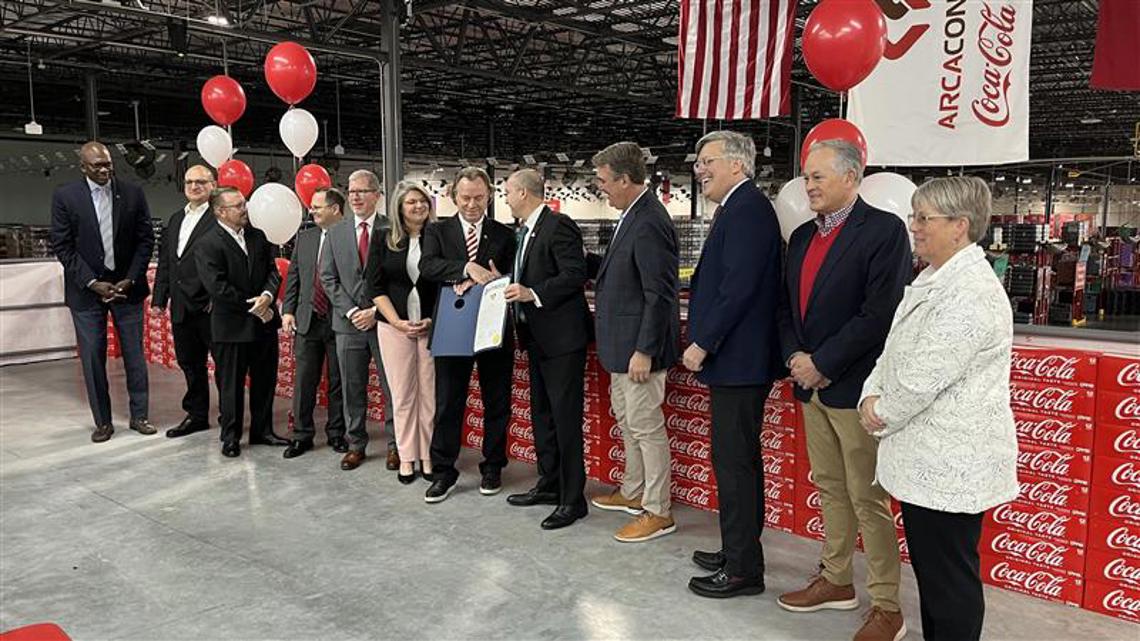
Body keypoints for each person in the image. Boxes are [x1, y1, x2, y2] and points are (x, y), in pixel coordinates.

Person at [860, 177, 1017, 641]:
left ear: (960, 226)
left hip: (951, 466)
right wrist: (872, 392)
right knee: (934, 577)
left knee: (949, 583)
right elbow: (893, 353)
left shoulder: (969, 292)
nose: (915, 227)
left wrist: (879, 409)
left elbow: (920, 379)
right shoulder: (932, 278)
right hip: (927, 462)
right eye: (914, 216)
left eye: (924, 218)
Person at [774, 139, 912, 641]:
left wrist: (823, 363)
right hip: (810, 386)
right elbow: (785, 308)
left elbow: (880, 314)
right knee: (830, 487)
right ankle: (836, 580)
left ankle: (887, 605)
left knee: (868, 496)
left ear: (852, 178)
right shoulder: (803, 237)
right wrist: (795, 358)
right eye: (806, 178)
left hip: (854, 388)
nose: (808, 186)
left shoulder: (884, 232)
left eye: (818, 177)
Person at [682, 131, 783, 597]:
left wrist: (703, 340)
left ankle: (743, 568)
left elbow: (737, 287)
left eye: (708, 161)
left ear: (737, 166)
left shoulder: (747, 210)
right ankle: (738, 547)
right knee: (737, 461)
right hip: (737, 360)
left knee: (735, 464)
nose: (700, 169)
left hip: (738, 360)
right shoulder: (740, 208)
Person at [588, 141, 681, 541]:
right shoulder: (632, 215)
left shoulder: (649, 221)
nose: (601, 189)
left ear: (626, 180)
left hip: (638, 351)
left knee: (645, 427)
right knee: (629, 423)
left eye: (605, 181)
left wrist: (644, 350)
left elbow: (659, 294)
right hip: (622, 347)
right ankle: (633, 490)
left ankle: (658, 510)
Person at [419, 166, 517, 504]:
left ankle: (493, 466)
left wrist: (497, 277)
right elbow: (427, 266)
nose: (472, 205)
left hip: (494, 328)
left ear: (489, 196)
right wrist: (465, 268)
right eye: (465, 198)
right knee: (448, 401)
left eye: (478, 198)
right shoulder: (437, 231)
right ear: (453, 197)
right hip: (452, 326)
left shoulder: (505, 234)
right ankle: (443, 470)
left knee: (497, 401)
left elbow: (515, 275)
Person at [501, 169, 592, 530]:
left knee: (565, 421)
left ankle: (573, 500)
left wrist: (531, 293)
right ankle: (550, 484)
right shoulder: (524, 231)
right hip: (536, 338)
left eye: (507, 192)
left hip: (561, 340)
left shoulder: (559, 225)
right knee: (543, 417)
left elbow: (574, 273)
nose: (505, 198)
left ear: (523, 192)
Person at [50, 141, 155, 442]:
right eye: (97, 165)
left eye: (108, 163)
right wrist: (92, 283)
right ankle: (104, 422)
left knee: (135, 355)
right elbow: (63, 246)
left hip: (126, 290)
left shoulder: (132, 193)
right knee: (93, 358)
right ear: (83, 167)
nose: (105, 169)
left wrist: (131, 279)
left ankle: (140, 415)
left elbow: (145, 240)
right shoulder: (65, 196)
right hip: (87, 293)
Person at [194, 187, 286, 458]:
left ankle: (263, 430)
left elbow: (273, 270)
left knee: (265, 380)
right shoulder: (207, 243)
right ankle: (231, 436)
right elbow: (217, 287)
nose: (244, 209)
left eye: (243, 204)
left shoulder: (258, 236)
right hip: (231, 327)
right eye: (237, 206)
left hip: (264, 324)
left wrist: (268, 296)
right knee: (231, 385)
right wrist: (257, 307)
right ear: (220, 212)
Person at [320, 170, 397, 471]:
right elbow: (328, 277)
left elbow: (398, 279)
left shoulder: (392, 229)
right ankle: (356, 444)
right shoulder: (336, 232)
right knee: (352, 389)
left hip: (385, 323)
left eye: (362, 191)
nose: (354, 196)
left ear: (377, 195)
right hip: (347, 325)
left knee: (393, 388)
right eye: (351, 191)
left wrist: (376, 312)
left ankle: (395, 445)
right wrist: (352, 312)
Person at [364, 181, 440, 483]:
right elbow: (374, 286)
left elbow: (444, 285)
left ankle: (428, 455)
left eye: (422, 201)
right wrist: (395, 321)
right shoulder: (383, 239)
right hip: (394, 328)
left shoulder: (438, 238)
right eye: (411, 202)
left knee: (430, 395)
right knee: (403, 395)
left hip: (431, 328)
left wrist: (432, 320)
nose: (418, 206)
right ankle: (407, 456)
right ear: (399, 207)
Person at [151, 165, 219, 439]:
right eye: (189, 182)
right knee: (190, 363)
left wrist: (218, 300)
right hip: (180, 305)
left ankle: (230, 415)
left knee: (224, 366)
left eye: (200, 182)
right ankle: (197, 415)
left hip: (210, 307)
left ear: (213, 185)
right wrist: (159, 299)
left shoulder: (220, 217)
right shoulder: (176, 219)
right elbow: (168, 262)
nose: (194, 186)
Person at [280, 187, 348, 459]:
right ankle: (301, 435)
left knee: (338, 382)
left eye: (318, 207)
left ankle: (336, 433)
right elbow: (294, 276)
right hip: (307, 321)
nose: (312, 211)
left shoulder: (350, 237)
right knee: (304, 381)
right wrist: (288, 310)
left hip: (340, 320)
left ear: (335, 209)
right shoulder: (305, 238)